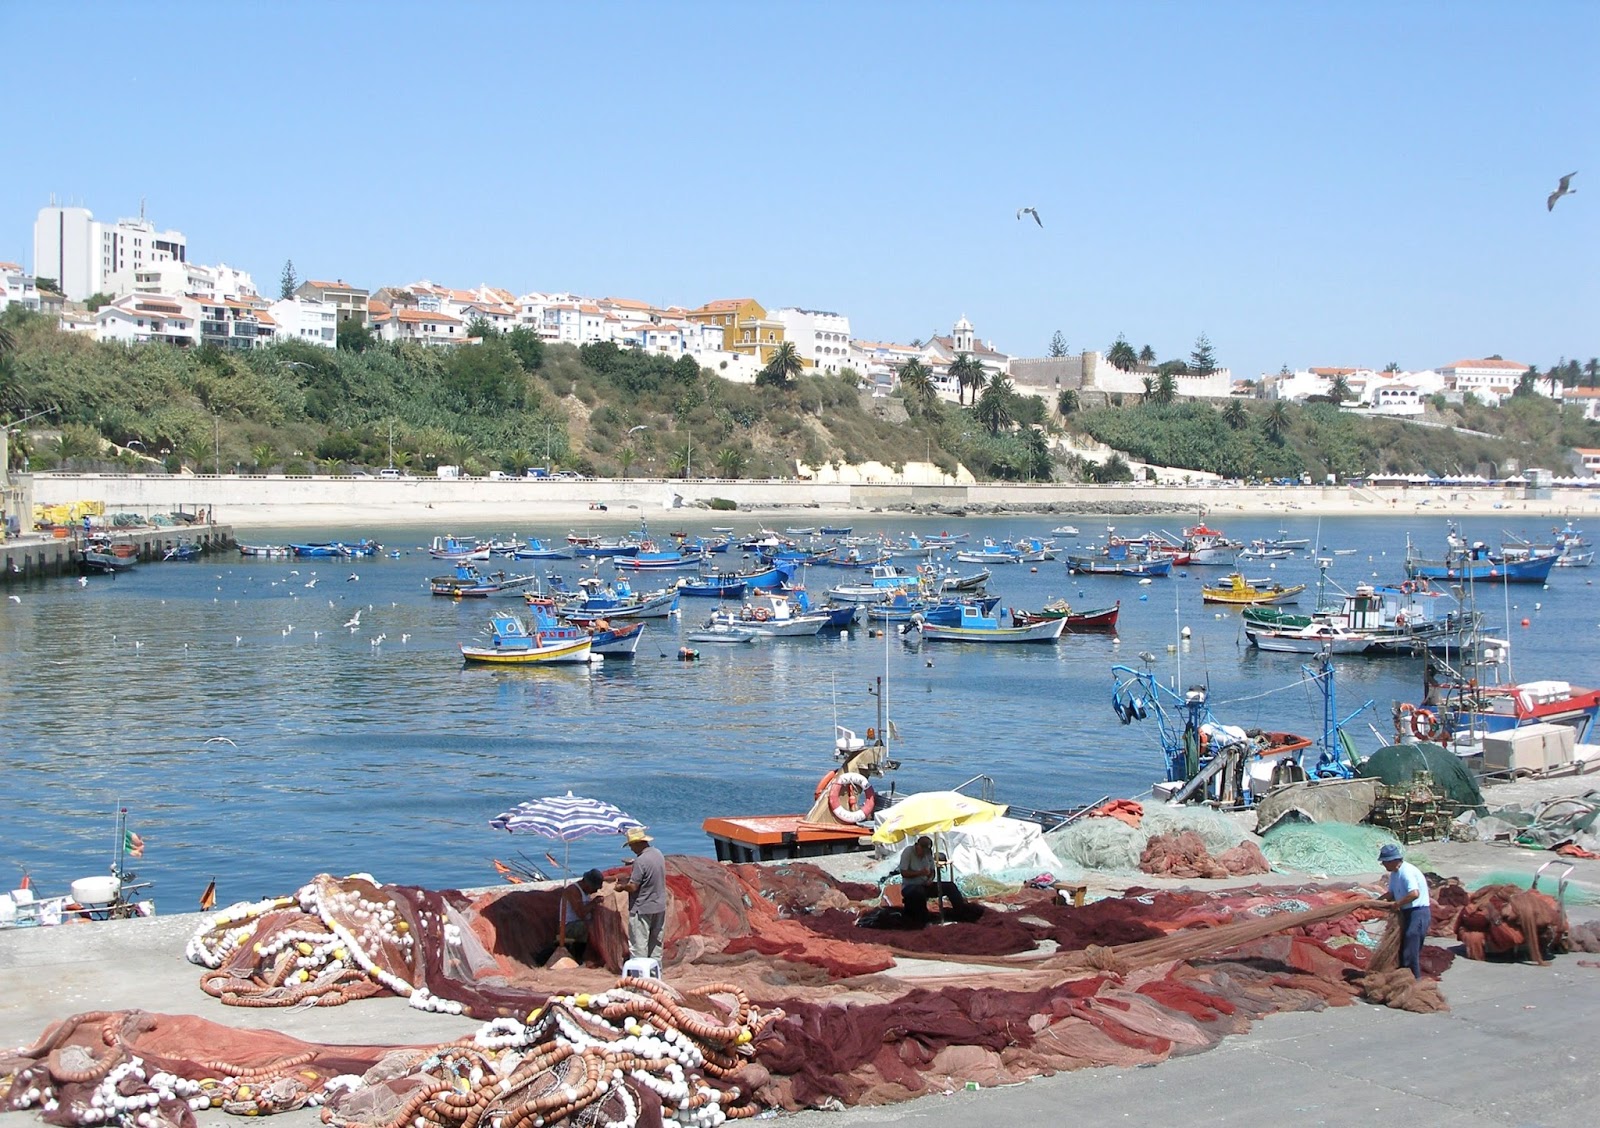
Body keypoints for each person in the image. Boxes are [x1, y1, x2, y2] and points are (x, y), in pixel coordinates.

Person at [1378, 843, 1431, 978]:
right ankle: (1404, 976)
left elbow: (1414, 893)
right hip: (1406, 912)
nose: (1383, 865)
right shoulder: (1394, 874)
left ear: (1393, 861)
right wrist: (1376, 902)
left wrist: (1398, 903)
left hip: (1418, 912)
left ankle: (1413, 980)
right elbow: (1391, 894)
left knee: (1410, 947)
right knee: (1402, 946)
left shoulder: (1406, 871)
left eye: (1384, 862)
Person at [897, 835, 971, 926]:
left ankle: (960, 913)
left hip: (925, 885)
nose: (923, 853)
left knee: (950, 886)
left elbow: (932, 871)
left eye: (926, 851)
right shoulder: (908, 852)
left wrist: (930, 879)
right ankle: (924, 919)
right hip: (910, 886)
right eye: (922, 851)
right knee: (919, 892)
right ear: (917, 846)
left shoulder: (928, 854)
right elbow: (904, 873)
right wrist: (920, 873)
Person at [617, 827, 667, 962]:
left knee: (639, 946)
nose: (631, 849)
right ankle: (655, 978)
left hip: (642, 908)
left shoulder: (641, 861)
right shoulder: (658, 854)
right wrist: (634, 863)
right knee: (655, 946)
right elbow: (649, 869)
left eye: (631, 845)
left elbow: (633, 886)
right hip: (659, 906)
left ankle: (640, 979)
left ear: (638, 843)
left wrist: (621, 887)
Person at [558, 869, 605, 965]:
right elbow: (581, 913)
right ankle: (581, 955)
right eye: (594, 887)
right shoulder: (573, 890)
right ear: (587, 884)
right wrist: (594, 902)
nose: (595, 891)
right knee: (589, 927)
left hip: (581, 923)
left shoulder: (585, 892)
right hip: (568, 926)